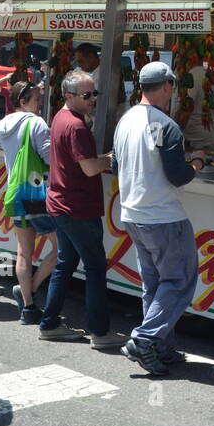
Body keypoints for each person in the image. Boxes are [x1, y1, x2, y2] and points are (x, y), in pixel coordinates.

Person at [112, 61, 206, 374]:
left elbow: (115, 166)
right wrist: (198, 164)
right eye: (173, 87)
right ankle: (144, 339)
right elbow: (179, 176)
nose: (173, 92)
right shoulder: (166, 126)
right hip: (163, 215)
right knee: (179, 282)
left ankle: (161, 347)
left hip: (132, 214)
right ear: (166, 86)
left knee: (154, 285)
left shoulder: (125, 121)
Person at [38, 69, 126, 347]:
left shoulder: (61, 118)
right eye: (87, 95)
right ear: (69, 95)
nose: (92, 99)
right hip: (77, 207)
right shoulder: (75, 125)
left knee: (66, 263)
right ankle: (100, 333)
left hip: (63, 203)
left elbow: (81, 164)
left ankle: (49, 323)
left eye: (94, 94)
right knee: (95, 267)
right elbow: (89, 168)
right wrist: (112, 158)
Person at [0, 80, 59, 324]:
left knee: (23, 253)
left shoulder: (4, 124)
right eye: (36, 99)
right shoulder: (36, 123)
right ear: (22, 101)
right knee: (61, 247)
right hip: (38, 194)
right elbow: (49, 156)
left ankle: (28, 305)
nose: (40, 104)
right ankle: (30, 289)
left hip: (15, 193)